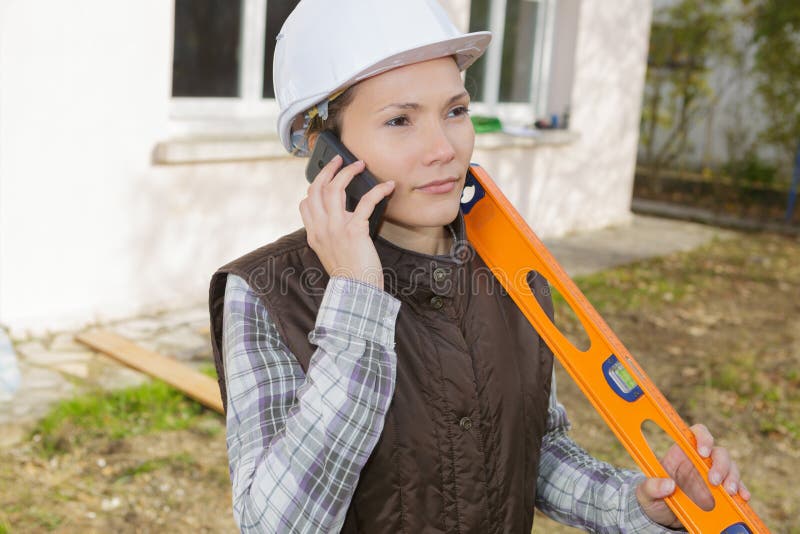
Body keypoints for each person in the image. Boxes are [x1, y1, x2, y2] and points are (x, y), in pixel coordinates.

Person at [208, 1, 749, 532]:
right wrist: (356, 298)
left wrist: (640, 505)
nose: (444, 148)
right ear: (323, 148)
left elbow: (534, 452)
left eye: (456, 111)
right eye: (400, 120)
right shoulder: (265, 293)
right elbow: (276, 523)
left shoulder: (514, 269)